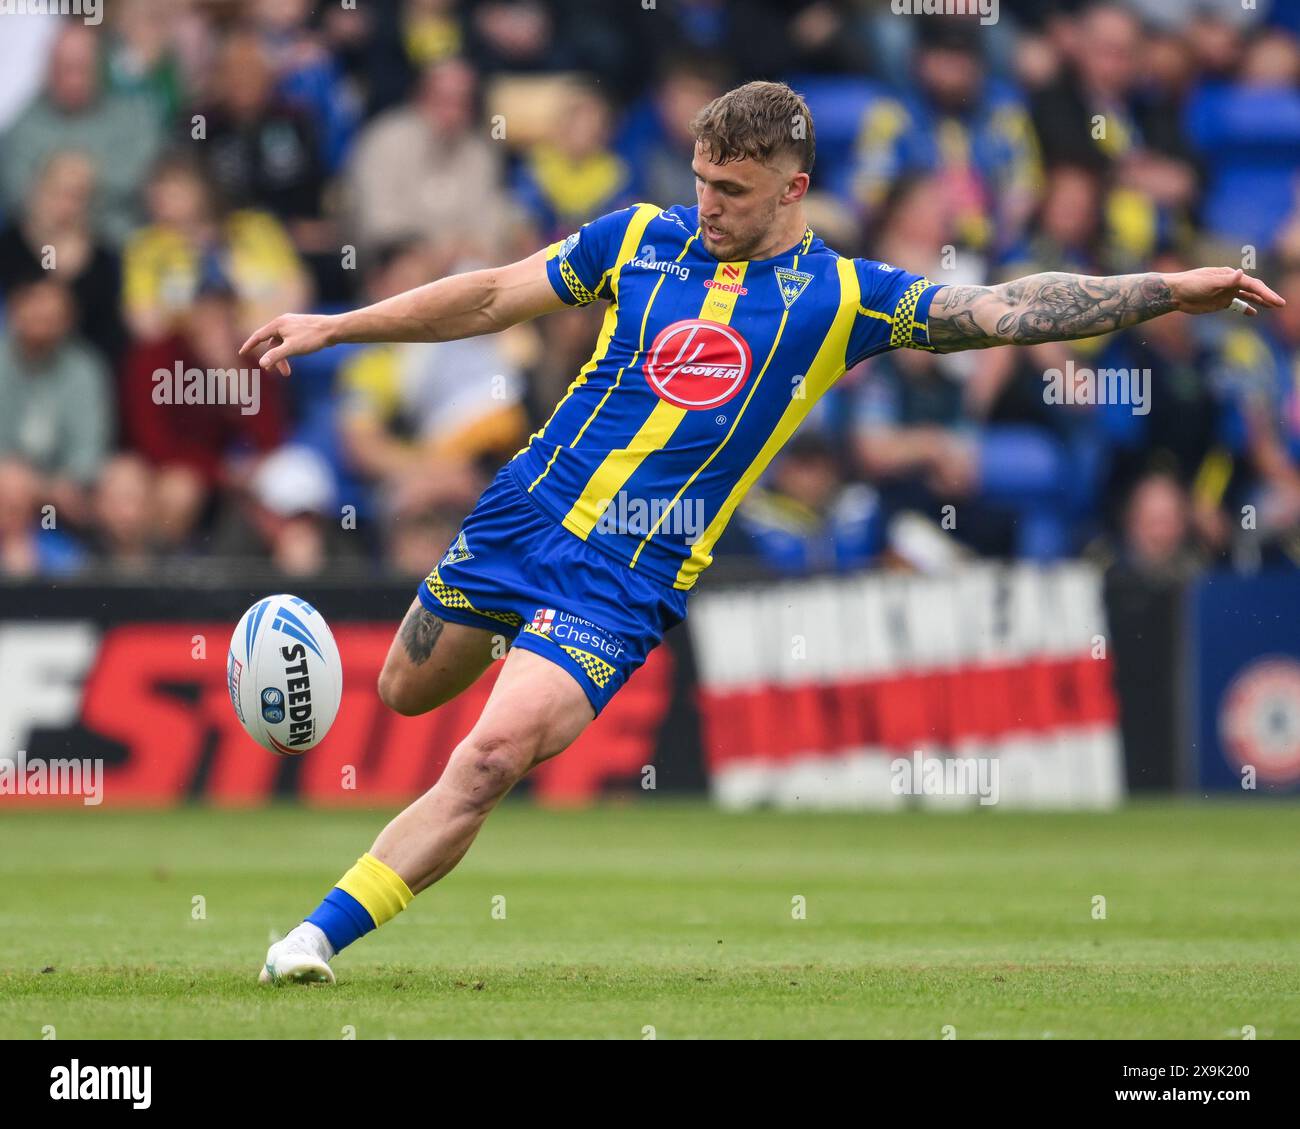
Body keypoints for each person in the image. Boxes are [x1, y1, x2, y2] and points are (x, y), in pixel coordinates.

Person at [239, 80, 1284, 984]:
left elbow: (1007, 306)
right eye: (701, 180)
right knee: (403, 692)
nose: (708, 206)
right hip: (522, 514)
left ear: (793, 187)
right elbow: (487, 297)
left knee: (487, 756)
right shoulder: (639, 236)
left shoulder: (846, 298)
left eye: (732, 192)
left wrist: (1166, 292)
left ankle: (312, 936)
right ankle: (484, 672)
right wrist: (336, 324)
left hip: (627, 576)